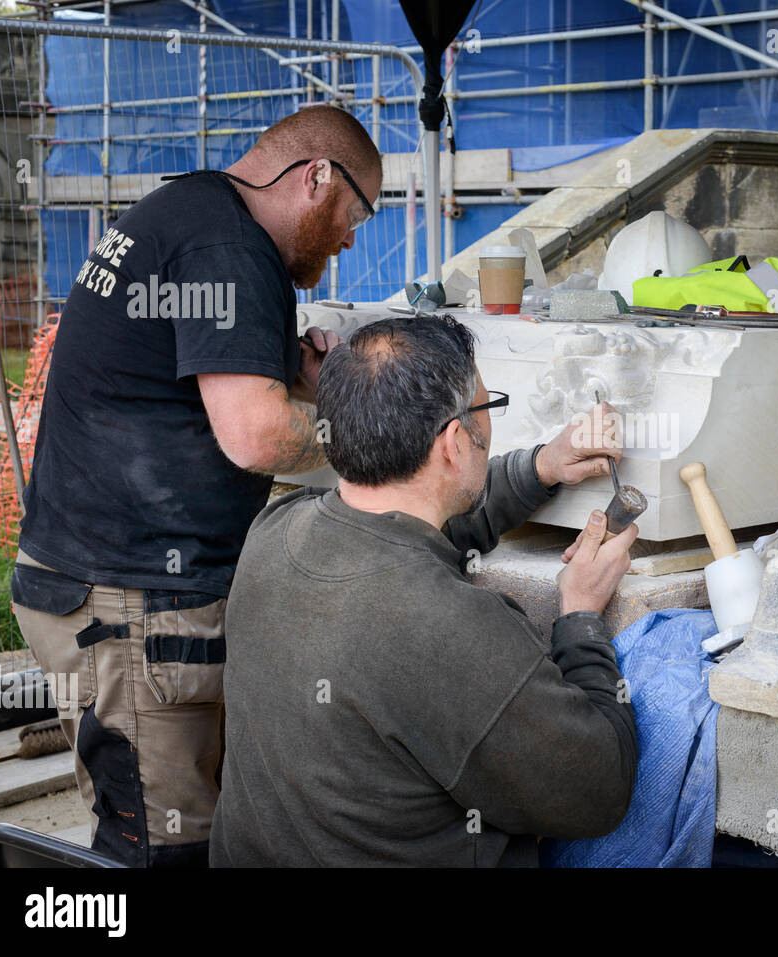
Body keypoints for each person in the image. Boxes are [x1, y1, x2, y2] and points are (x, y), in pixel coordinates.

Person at [10, 105, 381, 867]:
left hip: (95, 583)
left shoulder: (188, 212)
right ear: (317, 176)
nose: (351, 237)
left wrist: (299, 378)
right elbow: (252, 434)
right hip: (128, 607)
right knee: (163, 851)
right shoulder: (228, 245)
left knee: (166, 834)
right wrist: (368, 442)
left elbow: (176, 375)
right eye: (356, 212)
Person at [210, 315, 639, 867]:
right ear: (456, 442)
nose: (490, 428)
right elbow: (596, 791)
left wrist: (539, 468)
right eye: (488, 411)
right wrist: (580, 617)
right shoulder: (452, 628)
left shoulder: (275, 532)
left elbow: (409, 531)